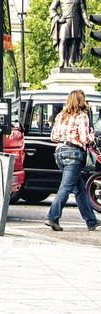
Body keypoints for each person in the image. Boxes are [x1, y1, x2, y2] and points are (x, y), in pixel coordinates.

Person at [45, 89, 98, 231]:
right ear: (82, 101)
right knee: (66, 187)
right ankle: (52, 217)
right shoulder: (82, 117)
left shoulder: (61, 116)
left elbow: (53, 137)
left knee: (79, 189)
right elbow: (84, 139)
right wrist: (92, 137)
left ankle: (91, 221)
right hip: (73, 154)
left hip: (59, 153)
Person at [49, 0, 95, 69]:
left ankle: (72, 61)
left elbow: (83, 11)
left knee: (74, 41)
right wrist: (58, 18)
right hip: (64, 22)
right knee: (63, 40)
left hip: (76, 21)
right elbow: (52, 9)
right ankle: (62, 60)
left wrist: (87, 22)